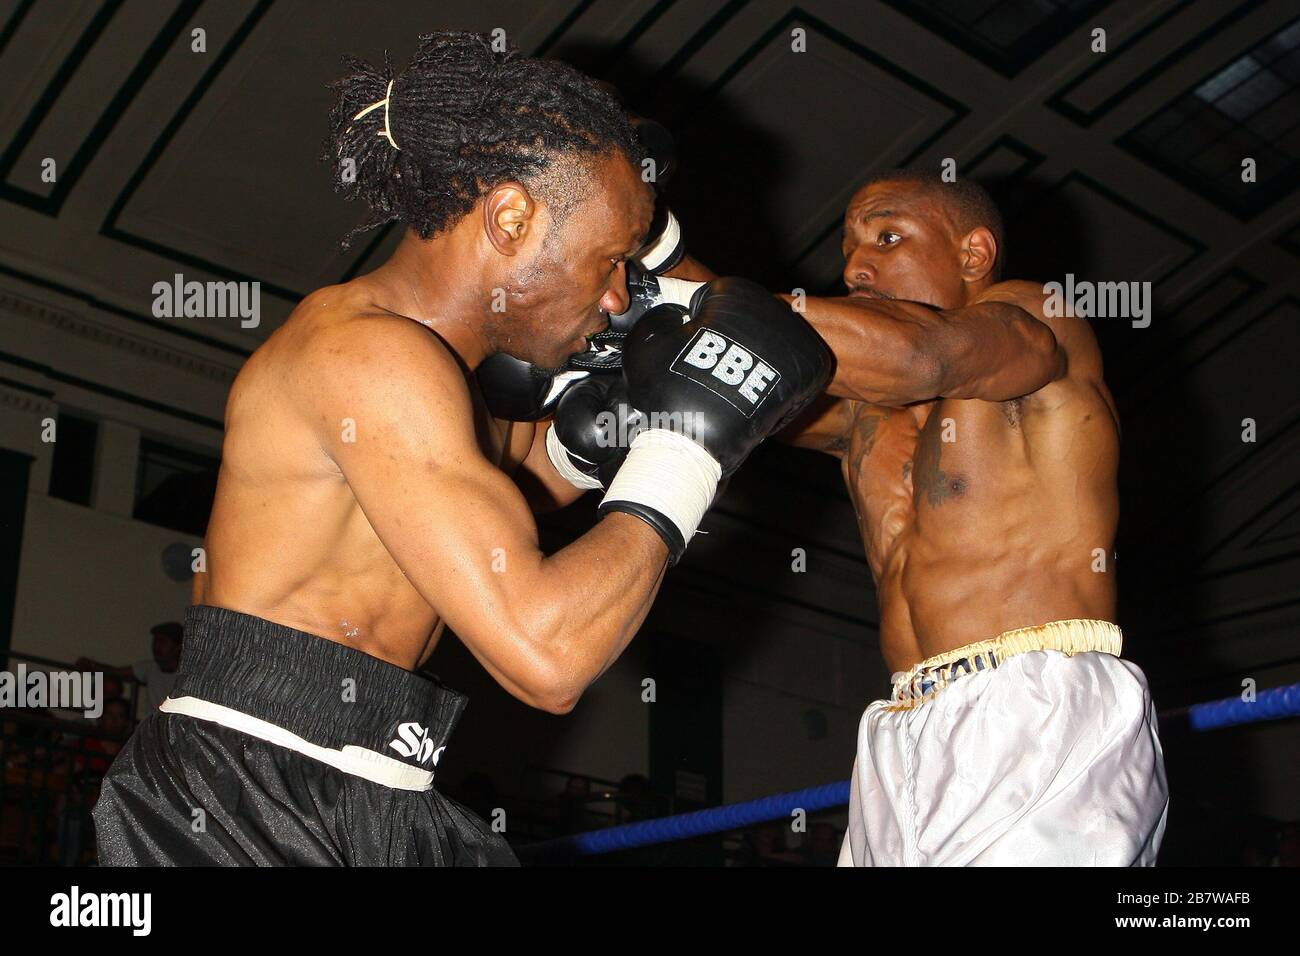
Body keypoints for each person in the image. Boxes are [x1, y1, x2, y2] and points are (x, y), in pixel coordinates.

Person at [92, 32, 830, 867]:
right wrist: (687, 445)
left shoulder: (460, 384)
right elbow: (545, 654)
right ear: (512, 217)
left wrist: (587, 453)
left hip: (372, 784)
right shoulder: (369, 356)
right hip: (246, 788)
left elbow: (488, 518)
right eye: (611, 259)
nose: (622, 294)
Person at [774, 169, 1169, 865]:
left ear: (973, 255)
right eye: (849, 247)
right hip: (902, 726)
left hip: (1036, 706)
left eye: (887, 237)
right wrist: (633, 279)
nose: (856, 266)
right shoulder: (867, 414)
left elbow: (921, 355)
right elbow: (739, 375)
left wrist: (693, 309)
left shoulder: (1037, 320)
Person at [76, 621, 181, 712]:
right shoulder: (150, 668)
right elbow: (116, 672)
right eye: (155, 642)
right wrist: (91, 665)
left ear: (178, 647)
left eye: (162, 642)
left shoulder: (188, 675)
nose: (156, 647)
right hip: (153, 730)